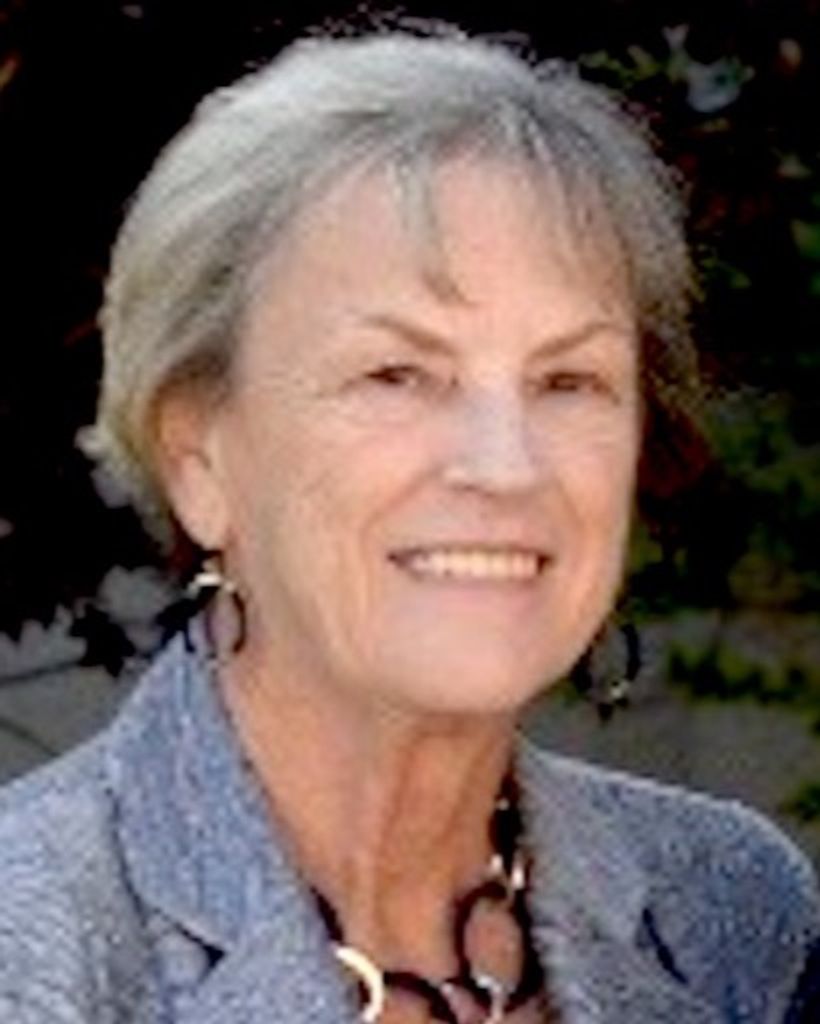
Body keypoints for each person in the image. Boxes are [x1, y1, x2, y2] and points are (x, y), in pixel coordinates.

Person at [0, 28, 817, 1024]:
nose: (505, 466)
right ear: (197, 456)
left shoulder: (730, 918)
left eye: (568, 380)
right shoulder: (28, 943)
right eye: (397, 374)